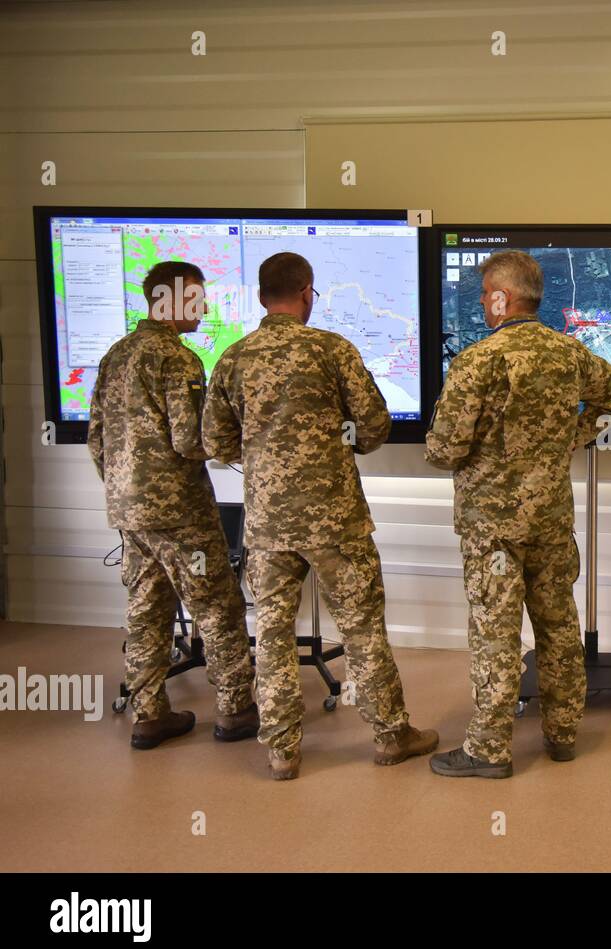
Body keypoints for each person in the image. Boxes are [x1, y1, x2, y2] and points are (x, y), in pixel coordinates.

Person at [202, 252, 436, 780]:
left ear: (262, 296)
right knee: (363, 629)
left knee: (272, 634)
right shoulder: (333, 350)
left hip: (267, 525)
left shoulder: (233, 359)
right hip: (336, 520)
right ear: (308, 292)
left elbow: (214, 441)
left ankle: (282, 751)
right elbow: (374, 426)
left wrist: (264, 453)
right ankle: (390, 736)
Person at [426, 249, 611, 778]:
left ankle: (488, 750)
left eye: (484, 293)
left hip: (491, 526)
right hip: (550, 517)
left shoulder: (478, 361)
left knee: (495, 630)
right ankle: (563, 735)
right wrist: (570, 440)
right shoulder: (570, 355)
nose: (480, 302)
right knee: (558, 622)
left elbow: (445, 450)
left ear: (502, 297)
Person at [87, 260, 257, 749]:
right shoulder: (178, 360)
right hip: (179, 512)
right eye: (197, 298)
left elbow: (96, 437)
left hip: (128, 511)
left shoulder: (116, 355)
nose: (203, 307)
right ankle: (235, 711)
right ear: (172, 300)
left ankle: (148, 716)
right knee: (218, 606)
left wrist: (125, 488)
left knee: (145, 610)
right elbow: (188, 441)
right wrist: (232, 439)